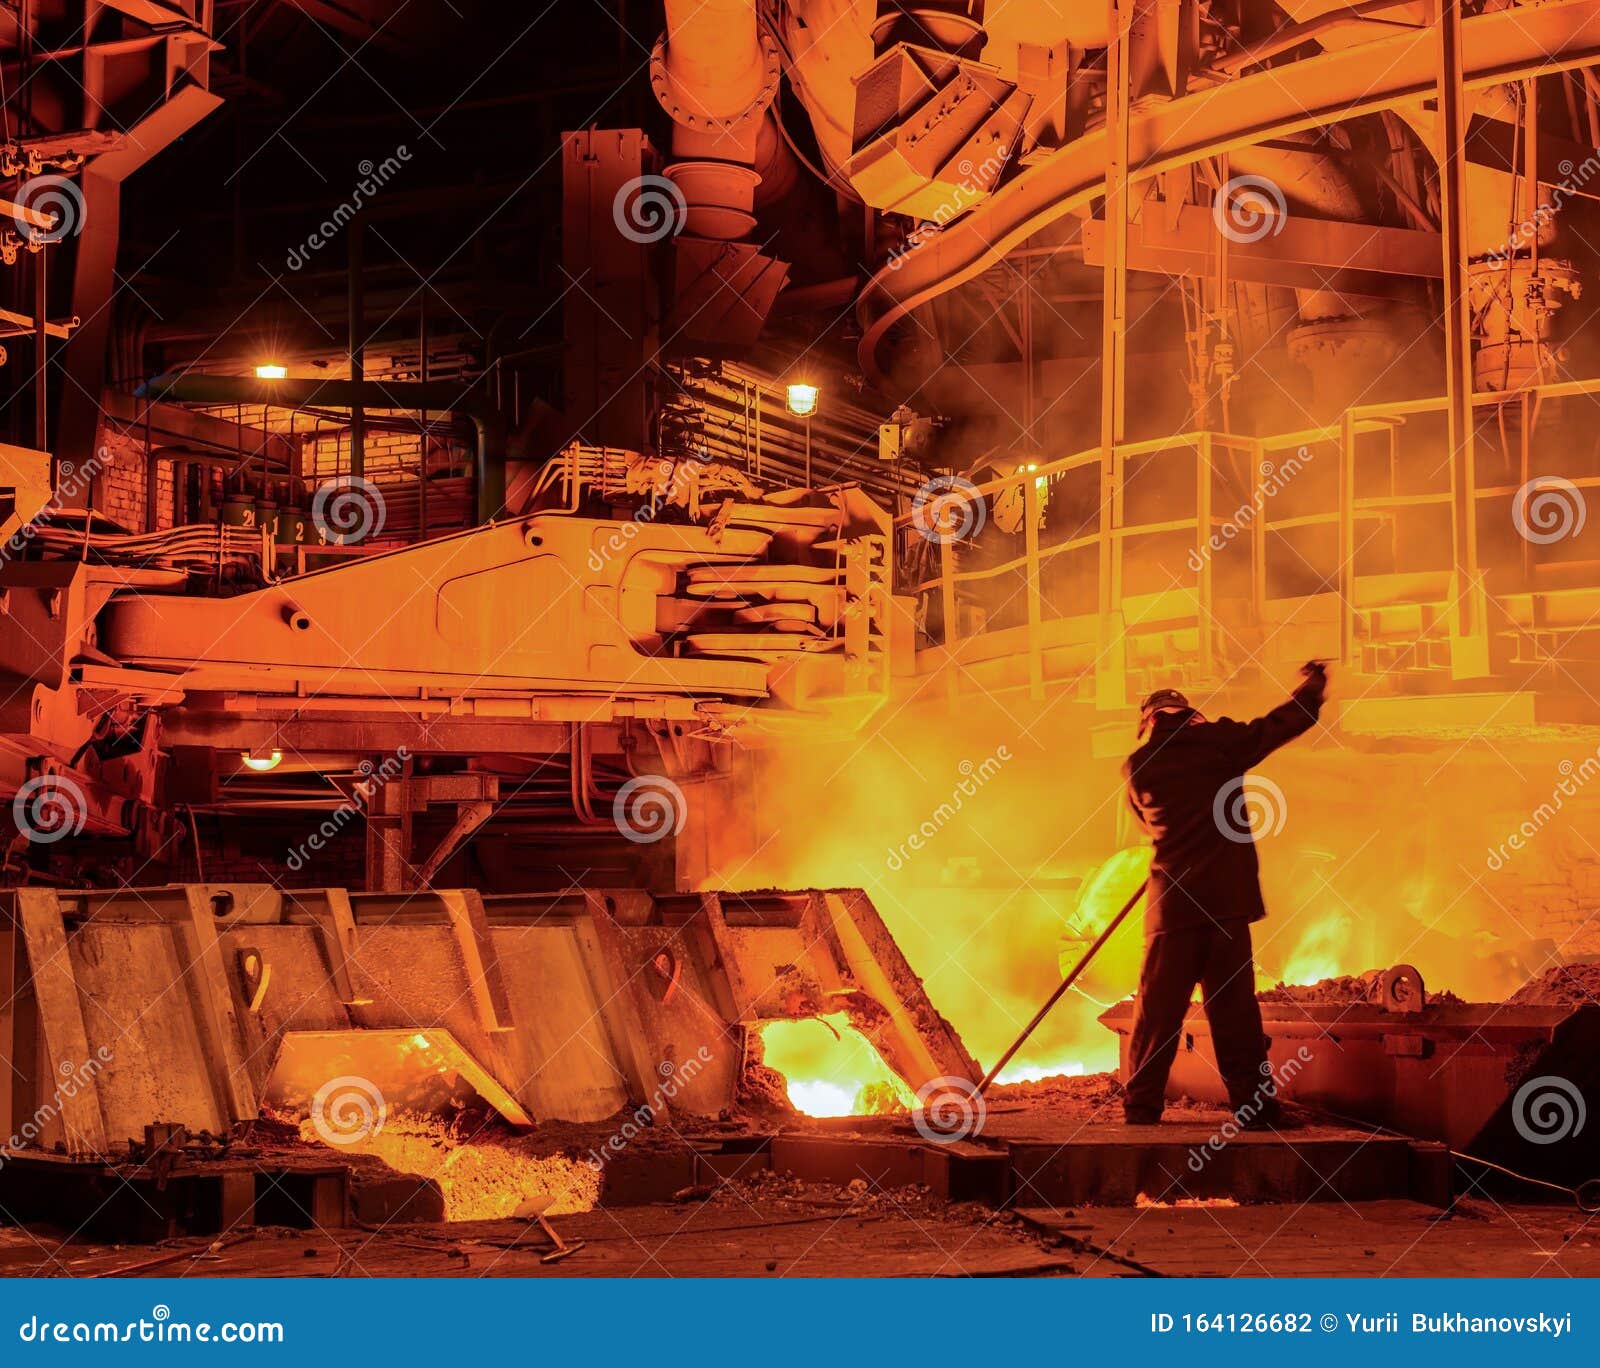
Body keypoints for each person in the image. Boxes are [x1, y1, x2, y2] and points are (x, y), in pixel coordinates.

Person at [1120, 662, 1329, 1127]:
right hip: (1224, 907)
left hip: (1172, 907)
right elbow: (1275, 728)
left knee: (1157, 1014)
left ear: (1149, 723)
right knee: (1235, 1015)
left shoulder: (1138, 767)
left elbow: (1146, 824)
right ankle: (1255, 1111)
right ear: (1190, 715)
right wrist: (1311, 692)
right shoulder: (1221, 743)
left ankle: (1141, 1109)